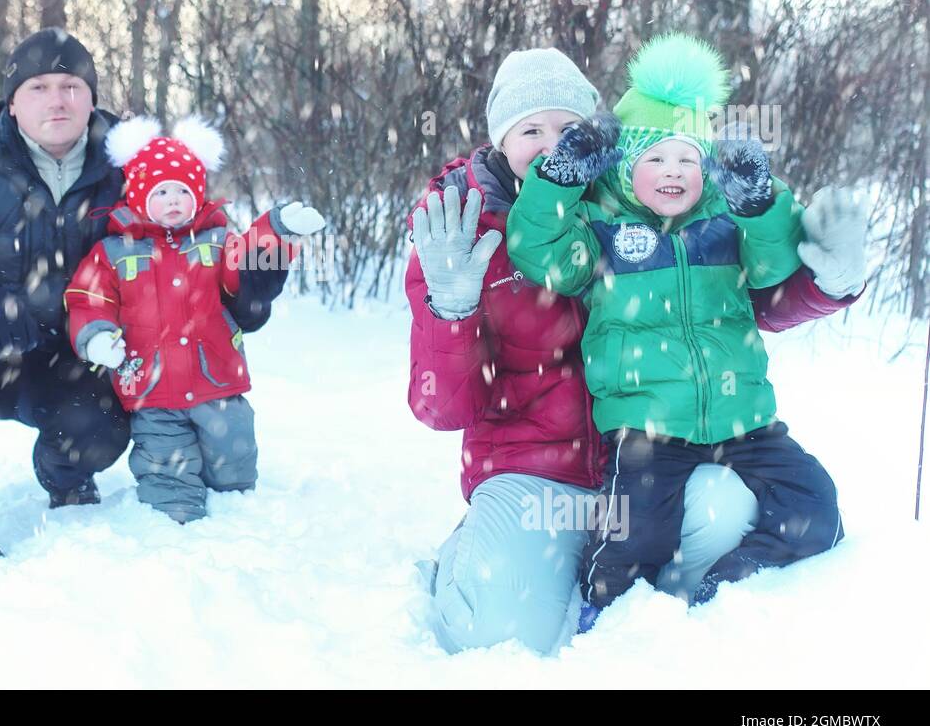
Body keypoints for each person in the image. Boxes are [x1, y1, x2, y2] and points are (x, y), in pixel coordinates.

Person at [406, 46, 866, 653]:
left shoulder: (641, 199)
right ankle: (488, 553)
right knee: (497, 638)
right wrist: (453, 309)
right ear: (500, 139)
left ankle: (648, 594)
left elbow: (749, 299)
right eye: (530, 130)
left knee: (733, 511)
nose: (549, 146)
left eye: (567, 129)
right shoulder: (466, 228)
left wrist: (829, 282)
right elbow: (443, 408)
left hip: (655, 459)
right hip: (536, 474)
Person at [0, 30, 285, 556]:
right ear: (12, 103)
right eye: (38, 87)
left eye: (70, 85)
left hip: (88, 360)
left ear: (90, 98)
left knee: (98, 429)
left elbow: (206, 265)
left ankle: (65, 472)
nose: (56, 99)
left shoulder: (135, 168)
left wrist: (256, 285)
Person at [65, 116, 325, 522]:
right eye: (161, 191)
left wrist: (277, 230)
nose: (173, 200)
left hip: (217, 379)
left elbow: (246, 267)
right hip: (152, 387)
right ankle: (175, 510)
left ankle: (234, 499)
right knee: (164, 459)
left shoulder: (217, 241)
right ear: (137, 195)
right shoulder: (114, 252)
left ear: (198, 194)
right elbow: (86, 299)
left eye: (182, 192)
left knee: (234, 451)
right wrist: (97, 335)